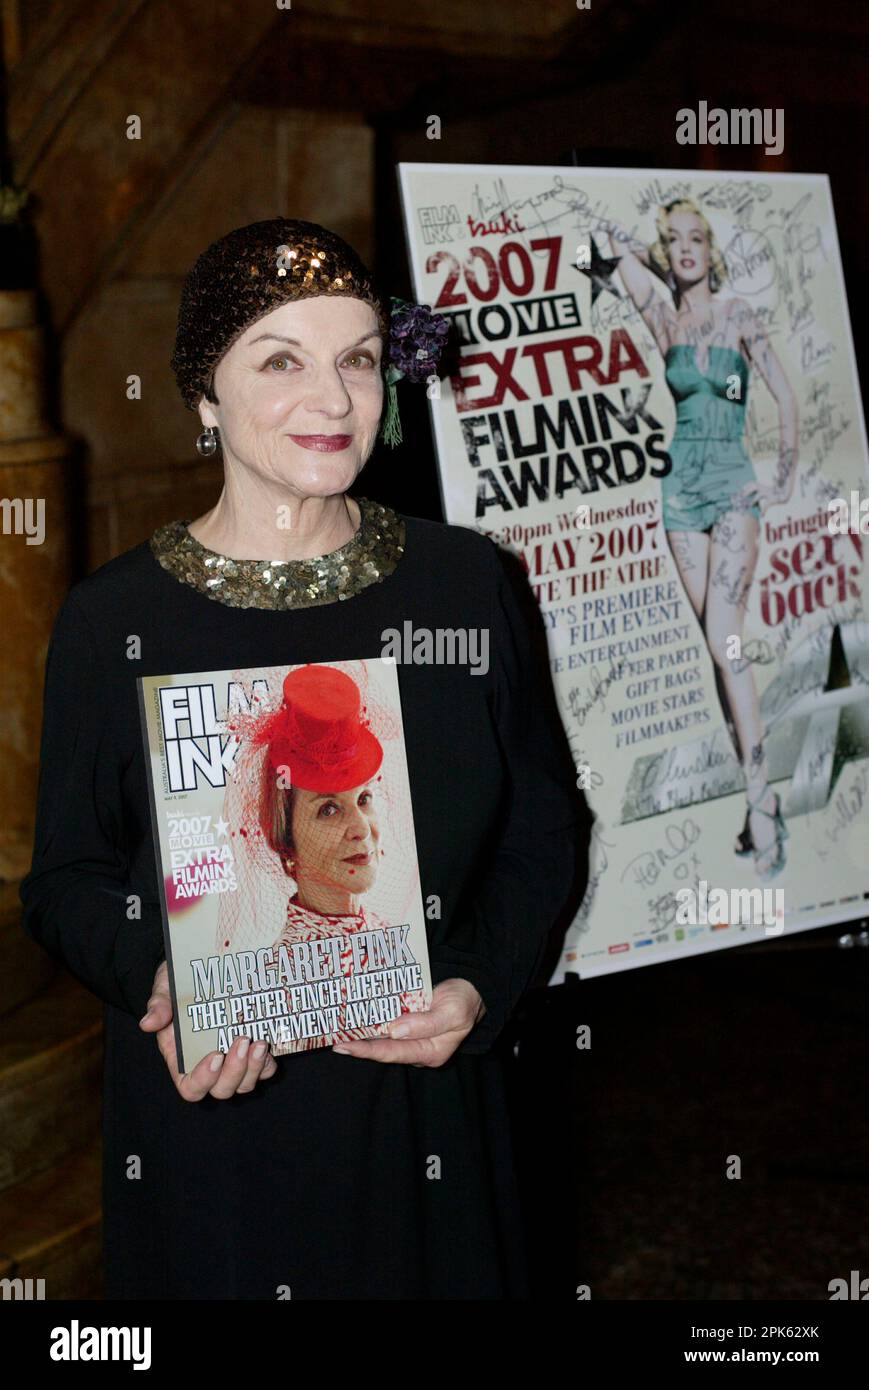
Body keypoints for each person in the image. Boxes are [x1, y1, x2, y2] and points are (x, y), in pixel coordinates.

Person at [19, 217, 587, 1299]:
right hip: (217, 1116)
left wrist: (474, 986)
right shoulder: (114, 619)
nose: (333, 401)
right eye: (280, 359)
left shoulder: (467, 586)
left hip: (425, 1107)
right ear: (202, 392)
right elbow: (64, 879)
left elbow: (543, 825)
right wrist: (160, 976)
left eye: (359, 359)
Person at [607, 199, 798, 879]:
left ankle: (758, 802)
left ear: (709, 249)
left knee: (728, 642)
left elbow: (782, 393)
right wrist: (639, 247)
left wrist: (781, 477)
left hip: (732, 488)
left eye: (694, 238)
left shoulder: (739, 314)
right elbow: (604, 251)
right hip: (678, 494)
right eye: (672, 241)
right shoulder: (664, 319)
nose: (684, 248)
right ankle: (763, 798)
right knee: (717, 655)